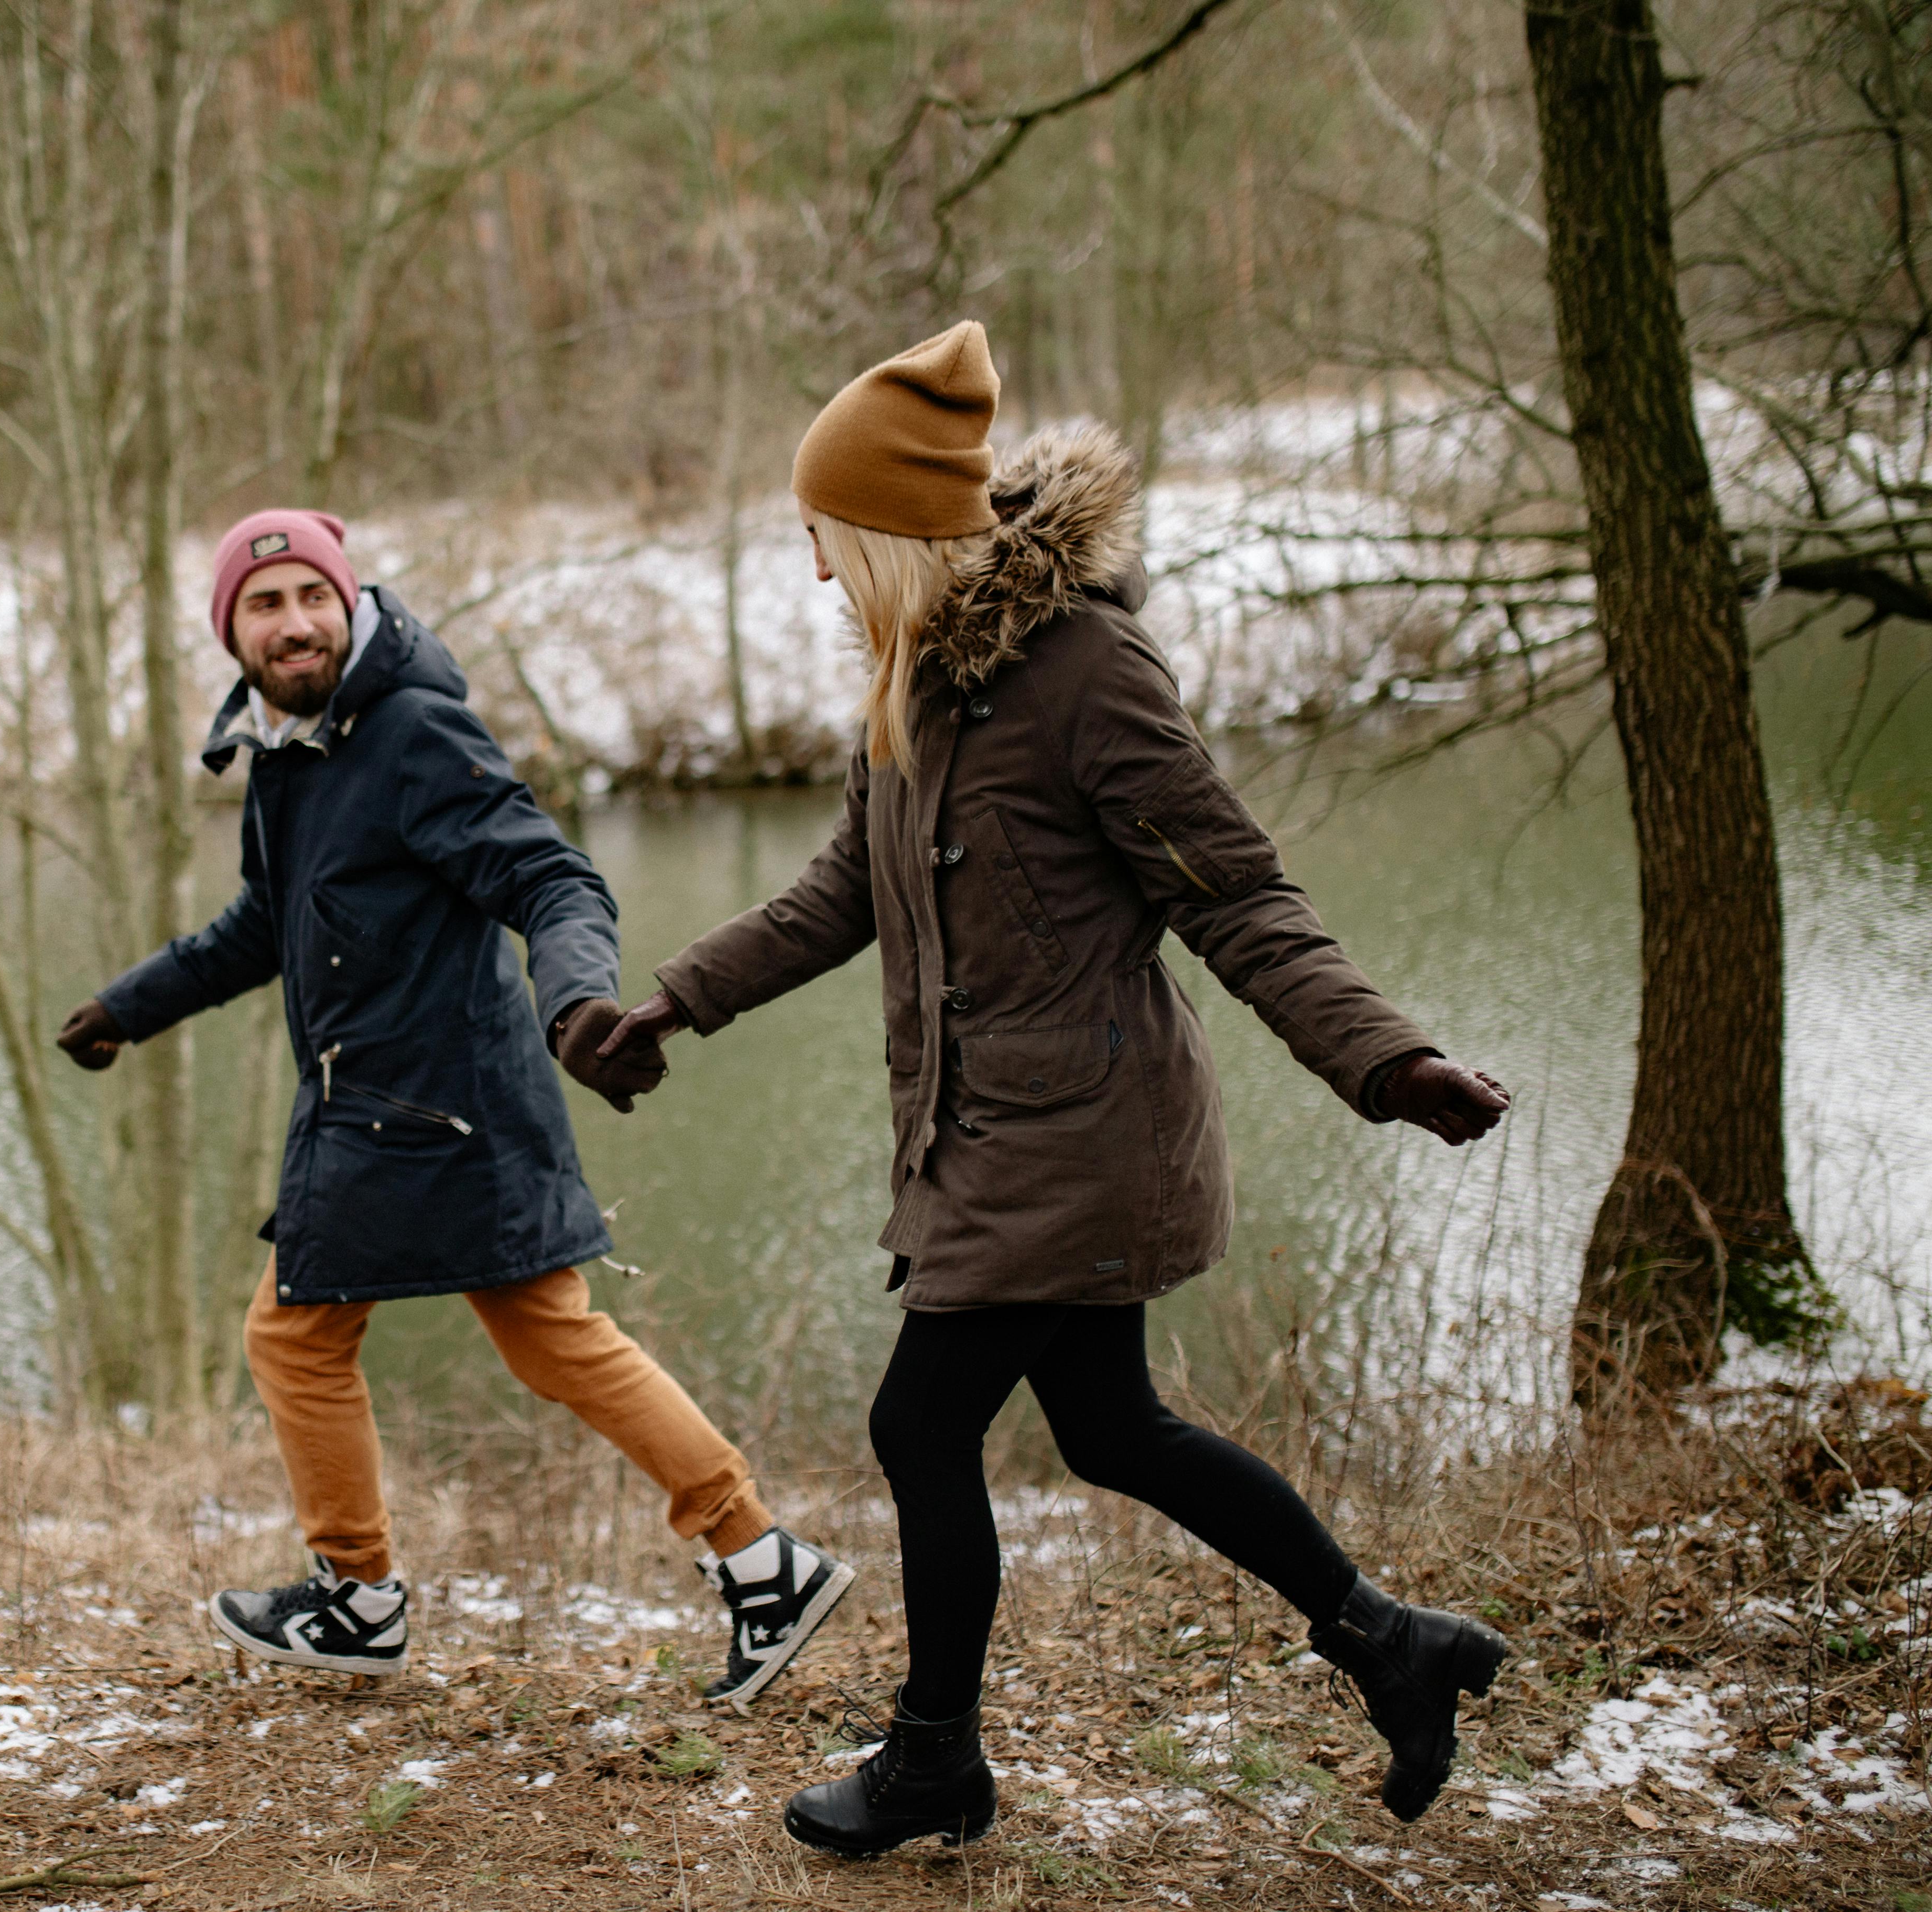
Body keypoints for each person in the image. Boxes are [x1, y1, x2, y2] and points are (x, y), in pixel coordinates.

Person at [594, 324, 1516, 1856]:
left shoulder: (1088, 669)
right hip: (991, 1138)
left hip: (1088, 1140)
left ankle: (934, 1762)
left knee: (919, 1423)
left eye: (829, 541)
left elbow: (1240, 897)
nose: (820, 577)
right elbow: (845, 891)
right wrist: (677, 1001)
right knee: (1113, 1432)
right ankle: (1391, 1644)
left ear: (892, 531)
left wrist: (1385, 1056)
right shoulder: (913, 682)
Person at [55, 508, 852, 1707]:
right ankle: (761, 1561)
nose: (292, 623)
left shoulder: (408, 733)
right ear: (231, 632)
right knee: (551, 1342)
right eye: (262, 606)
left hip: (426, 1113)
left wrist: (579, 1003)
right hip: (397, 1109)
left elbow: (551, 876)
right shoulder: (294, 757)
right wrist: (130, 1006)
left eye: (309, 597)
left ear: (348, 603)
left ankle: (360, 1600)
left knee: (300, 1338)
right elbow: (265, 927)